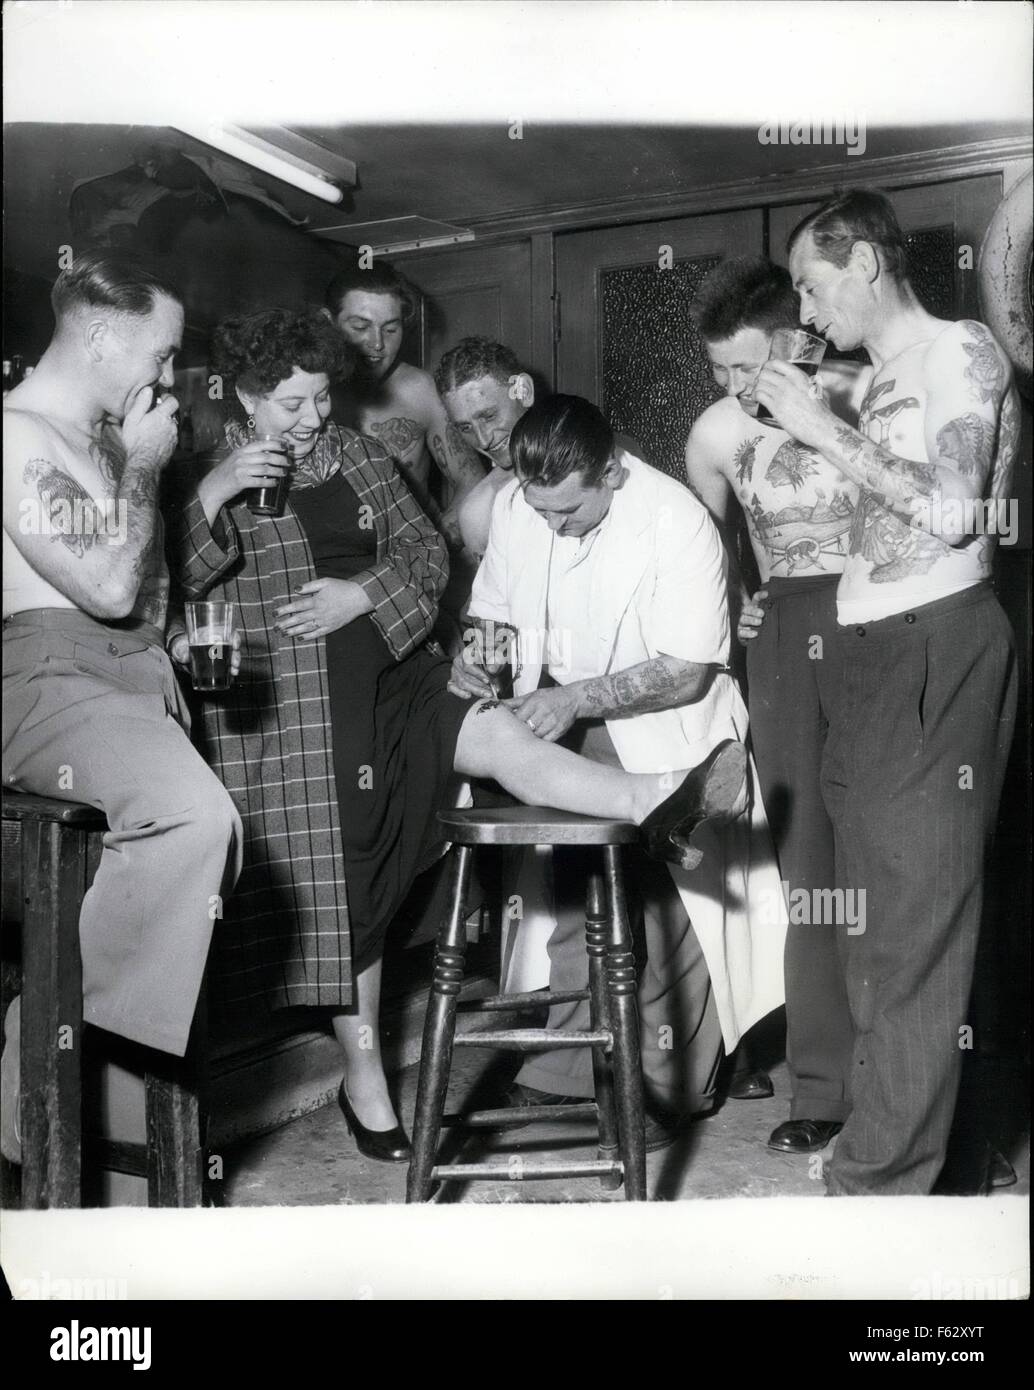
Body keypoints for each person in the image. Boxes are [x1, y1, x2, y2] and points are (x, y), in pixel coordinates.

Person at [170, 309, 751, 1164]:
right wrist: (213, 495)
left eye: (322, 397)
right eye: (292, 403)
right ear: (250, 397)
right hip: (293, 713)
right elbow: (166, 596)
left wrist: (361, 595)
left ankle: (658, 797)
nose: (312, 418)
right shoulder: (202, 476)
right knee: (350, 881)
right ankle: (363, 1076)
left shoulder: (361, 457)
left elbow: (427, 560)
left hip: (398, 682)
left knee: (492, 731)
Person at [753, 188, 1020, 1195]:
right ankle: (897, 1144)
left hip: (932, 645)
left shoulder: (957, 349)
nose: (809, 314)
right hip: (863, 650)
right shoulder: (873, 380)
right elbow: (866, 511)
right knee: (870, 919)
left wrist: (816, 429)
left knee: (912, 926)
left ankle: (877, 1185)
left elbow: (953, 511)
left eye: (814, 287)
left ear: (863, 262)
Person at [450, 393, 788, 1141]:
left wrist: (577, 699)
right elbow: (494, 608)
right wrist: (481, 660)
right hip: (560, 719)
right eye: (541, 512)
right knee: (575, 895)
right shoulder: (518, 506)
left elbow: (687, 669)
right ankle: (569, 1070)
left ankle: (662, 1083)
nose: (553, 528)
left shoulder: (675, 519)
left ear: (612, 471)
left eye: (569, 513)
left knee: (673, 901)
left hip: (666, 726)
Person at [2, 253, 243, 1163]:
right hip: (53, 679)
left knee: (172, 905)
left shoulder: (104, 437)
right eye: (164, 353)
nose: (169, 377)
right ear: (102, 335)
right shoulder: (16, 433)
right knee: (193, 819)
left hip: (137, 682)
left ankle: (124, 1193)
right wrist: (147, 465)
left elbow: (139, 598)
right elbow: (105, 584)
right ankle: (30, 1059)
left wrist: (172, 642)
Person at [686, 255, 868, 1153]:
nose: (732, 386)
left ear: (798, 337)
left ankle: (920, 1085)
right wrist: (747, 608)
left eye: (750, 366)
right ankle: (823, 1085)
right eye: (719, 368)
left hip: (885, 617)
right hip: (787, 635)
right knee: (811, 867)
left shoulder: (872, 392)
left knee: (898, 857)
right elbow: (707, 557)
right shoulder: (716, 433)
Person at [323, 260, 486, 546]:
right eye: (361, 326)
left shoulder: (422, 391)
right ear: (328, 322)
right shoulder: (305, 393)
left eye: (390, 329)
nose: (376, 344)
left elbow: (472, 482)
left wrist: (427, 551)